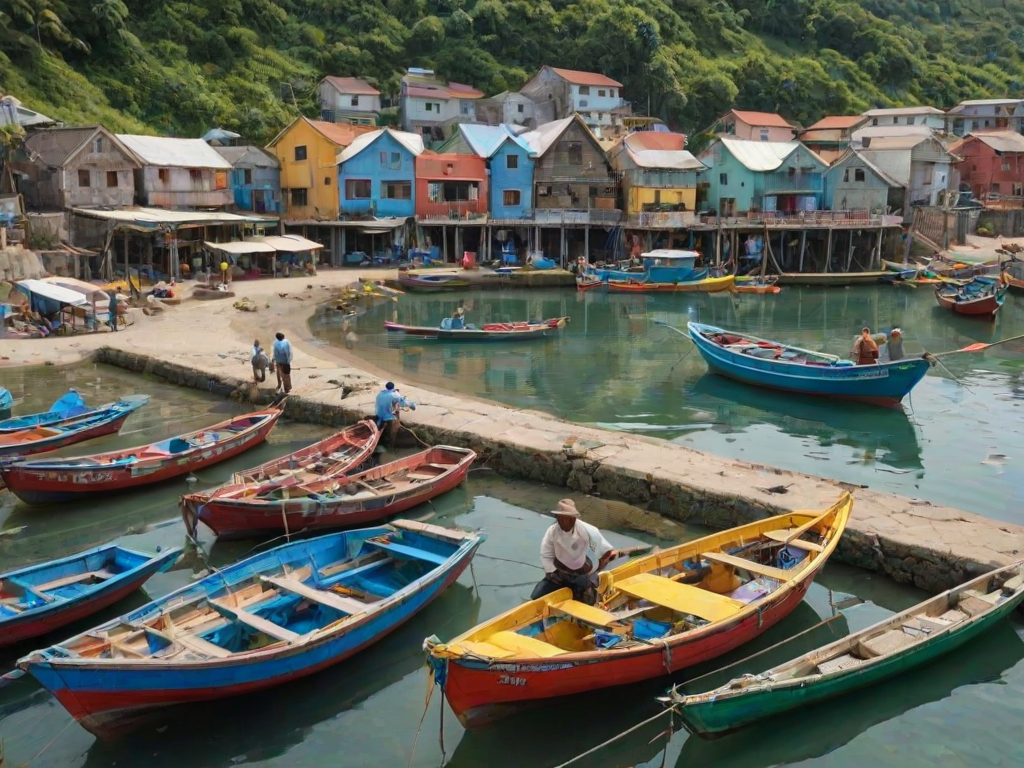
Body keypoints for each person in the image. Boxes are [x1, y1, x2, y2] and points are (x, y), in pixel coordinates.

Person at [531, 499, 617, 606]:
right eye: (560, 518)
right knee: (536, 596)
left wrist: (597, 567)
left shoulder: (590, 532)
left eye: (567, 518)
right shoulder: (552, 531)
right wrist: (552, 572)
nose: (563, 522)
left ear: (573, 518)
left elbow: (607, 551)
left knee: (585, 600)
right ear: (557, 518)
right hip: (559, 573)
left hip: (580, 574)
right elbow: (546, 555)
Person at [374, 381, 415, 449]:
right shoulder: (395, 395)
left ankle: (380, 440)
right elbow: (403, 403)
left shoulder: (380, 394)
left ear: (386, 387)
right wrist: (412, 405)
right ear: (393, 387)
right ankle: (391, 446)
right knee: (393, 432)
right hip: (389, 417)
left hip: (379, 414)